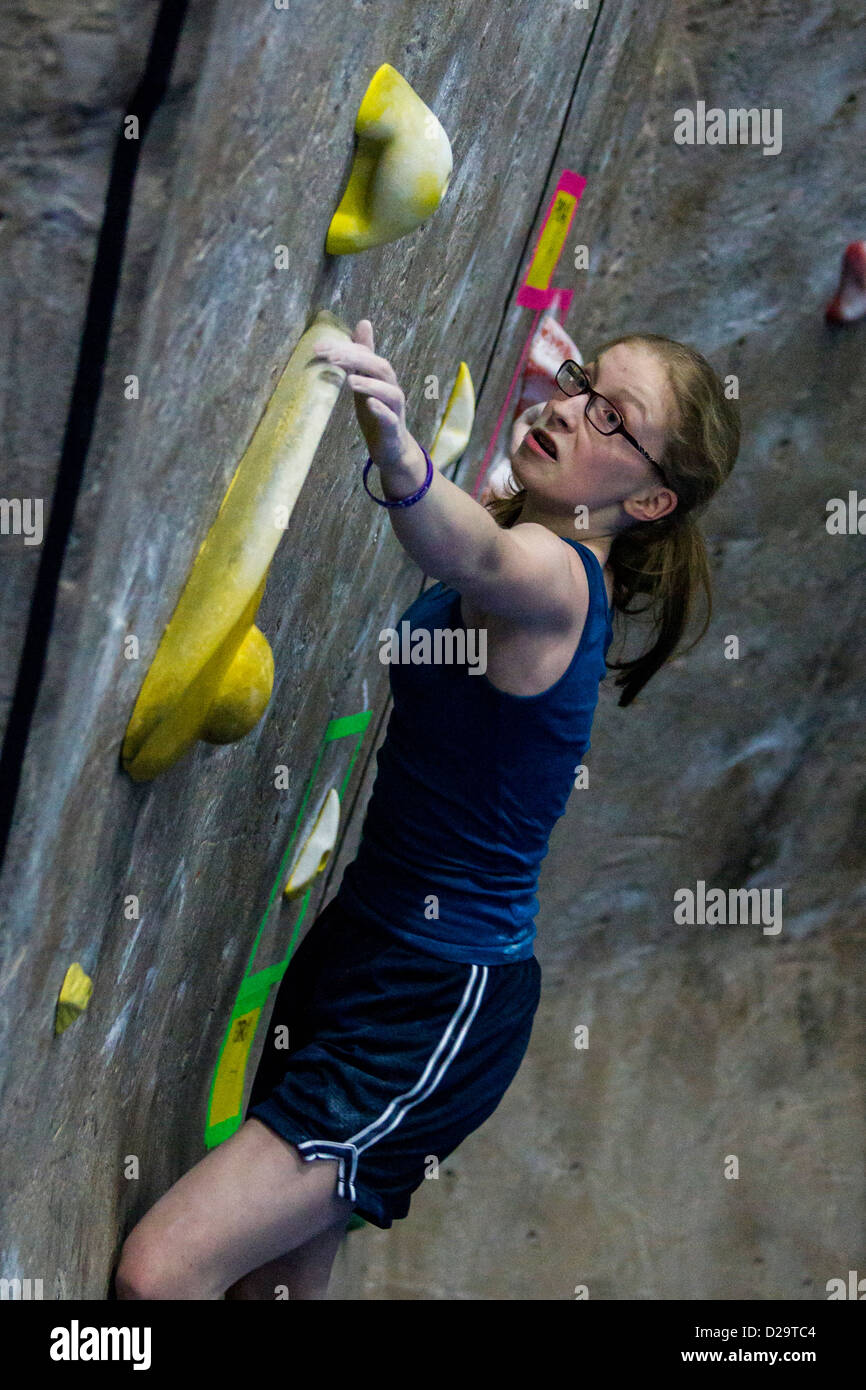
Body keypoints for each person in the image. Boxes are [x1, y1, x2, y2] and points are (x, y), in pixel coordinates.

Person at [114, 319, 739, 1301]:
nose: (571, 410)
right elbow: (486, 514)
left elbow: (477, 554)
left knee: (160, 1276)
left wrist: (395, 449)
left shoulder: (559, 582)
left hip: (435, 1003)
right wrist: (555, 381)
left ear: (650, 498)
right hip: (364, 940)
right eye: (582, 385)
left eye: (611, 418)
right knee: (274, 1286)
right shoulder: (540, 530)